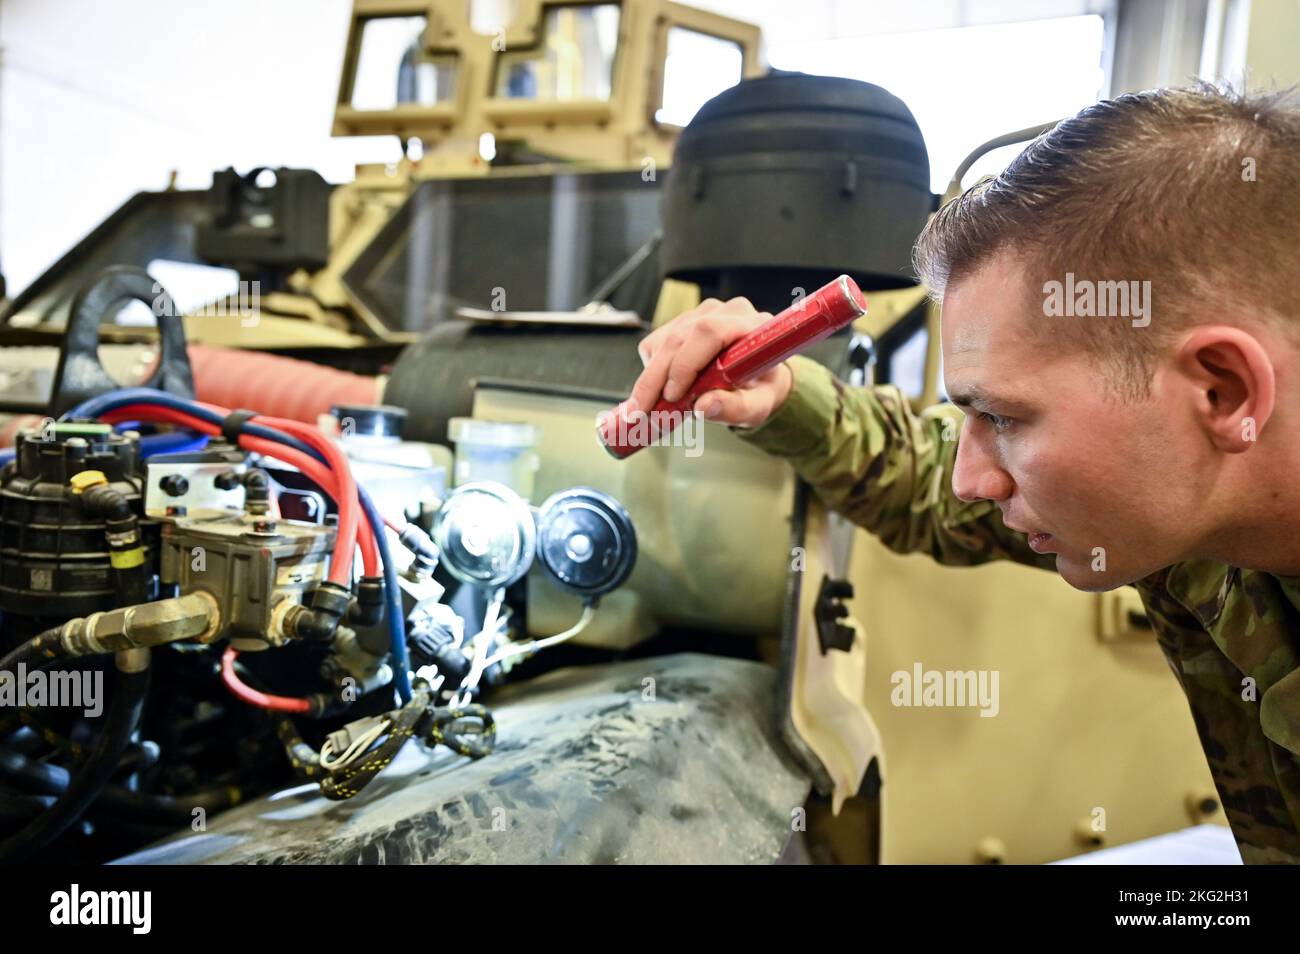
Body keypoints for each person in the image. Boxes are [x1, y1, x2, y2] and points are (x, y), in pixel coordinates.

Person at [618, 83, 1300, 864]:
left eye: (1004, 419)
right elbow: (927, 473)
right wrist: (781, 392)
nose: (972, 477)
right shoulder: (1190, 496)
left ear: (1223, 390)